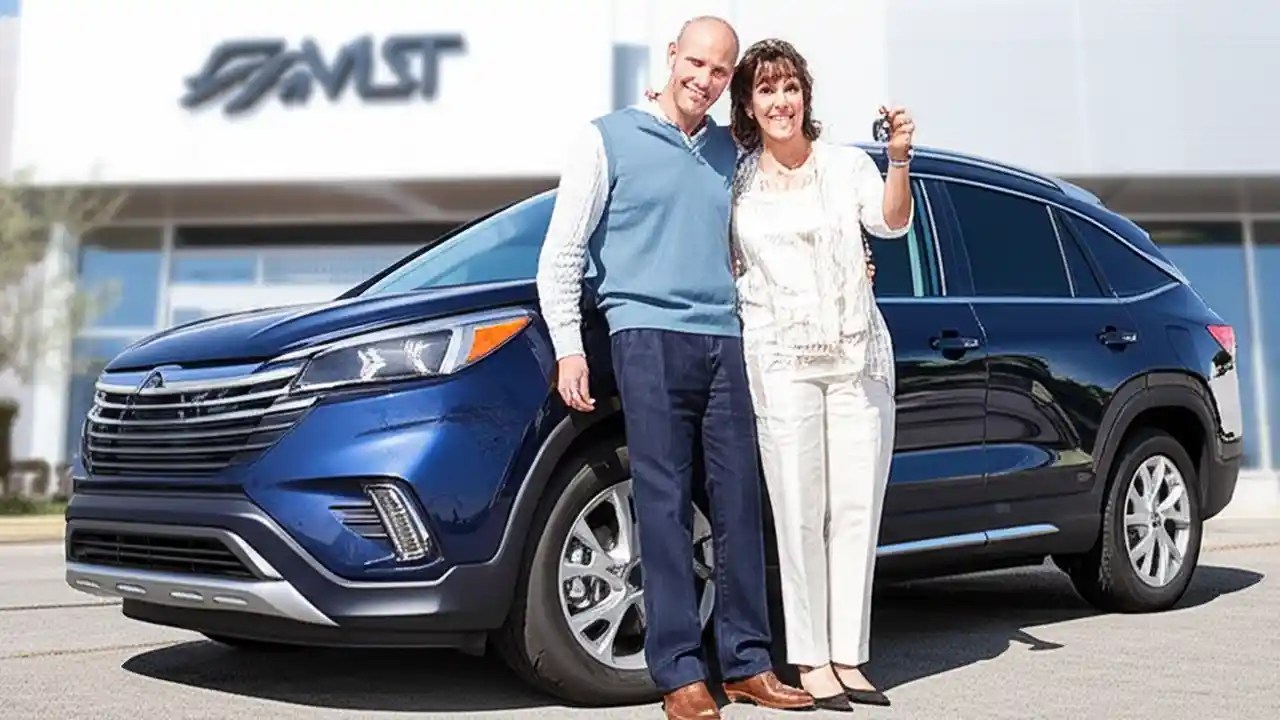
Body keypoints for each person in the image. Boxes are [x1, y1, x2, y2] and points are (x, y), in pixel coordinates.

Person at [534, 16, 814, 720]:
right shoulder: (607, 138)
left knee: (738, 502)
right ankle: (680, 671)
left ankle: (748, 662)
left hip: (726, 337)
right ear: (671, 58)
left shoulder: (730, 150)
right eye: (695, 64)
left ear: (730, 81)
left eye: (720, 72)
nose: (704, 80)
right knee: (661, 501)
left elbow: (772, 228)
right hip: (645, 336)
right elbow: (562, 252)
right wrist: (570, 343)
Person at [726, 38, 915, 712]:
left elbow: (890, 223)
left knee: (856, 510)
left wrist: (898, 159)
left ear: (806, 95)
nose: (780, 101)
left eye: (790, 87)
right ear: (749, 105)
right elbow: (721, 261)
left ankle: (848, 654)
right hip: (780, 362)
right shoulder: (738, 179)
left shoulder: (845, 165)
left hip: (857, 358)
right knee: (799, 512)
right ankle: (808, 659)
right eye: (766, 90)